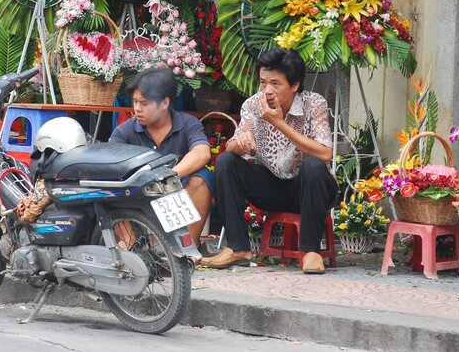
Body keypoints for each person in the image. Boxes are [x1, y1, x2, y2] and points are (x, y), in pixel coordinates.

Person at [201, 48, 337, 274]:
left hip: (309, 189)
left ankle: (311, 252)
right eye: (263, 82)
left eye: (276, 84)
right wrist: (241, 142)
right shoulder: (253, 104)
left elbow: (325, 153)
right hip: (271, 186)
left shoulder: (314, 103)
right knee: (226, 161)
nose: (267, 90)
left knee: (313, 165)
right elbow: (233, 144)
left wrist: (278, 123)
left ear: (294, 85)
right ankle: (237, 248)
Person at [109, 68, 212, 249]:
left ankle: (188, 248)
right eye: (135, 102)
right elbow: (108, 162)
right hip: (137, 198)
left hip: (177, 196)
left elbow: (202, 153)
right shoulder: (125, 131)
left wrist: (167, 176)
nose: (137, 108)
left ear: (164, 103)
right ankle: (129, 244)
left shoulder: (188, 124)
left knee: (201, 180)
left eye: (144, 103)